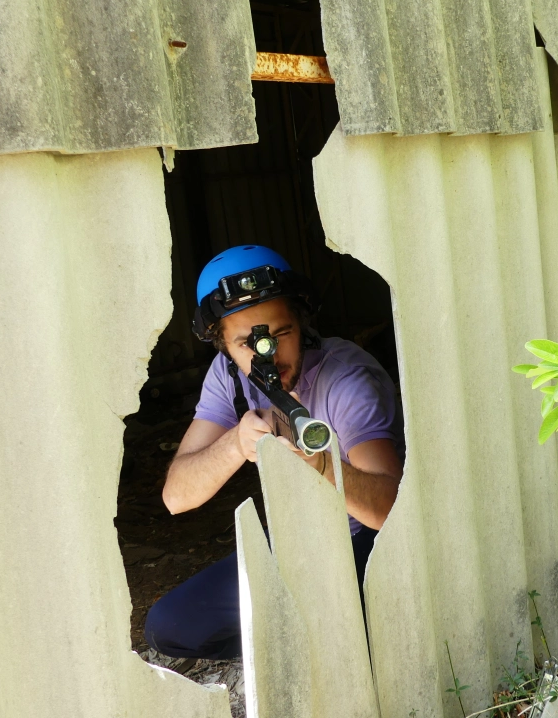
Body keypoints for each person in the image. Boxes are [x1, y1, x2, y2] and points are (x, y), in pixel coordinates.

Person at [144, 245, 404, 660]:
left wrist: (322, 463)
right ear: (223, 347)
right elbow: (176, 496)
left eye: (281, 334)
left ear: (302, 323)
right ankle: (305, 645)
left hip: (365, 540)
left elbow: (392, 514)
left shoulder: (346, 379)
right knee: (169, 627)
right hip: (297, 536)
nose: (269, 354)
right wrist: (236, 442)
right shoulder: (228, 375)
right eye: (246, 343)